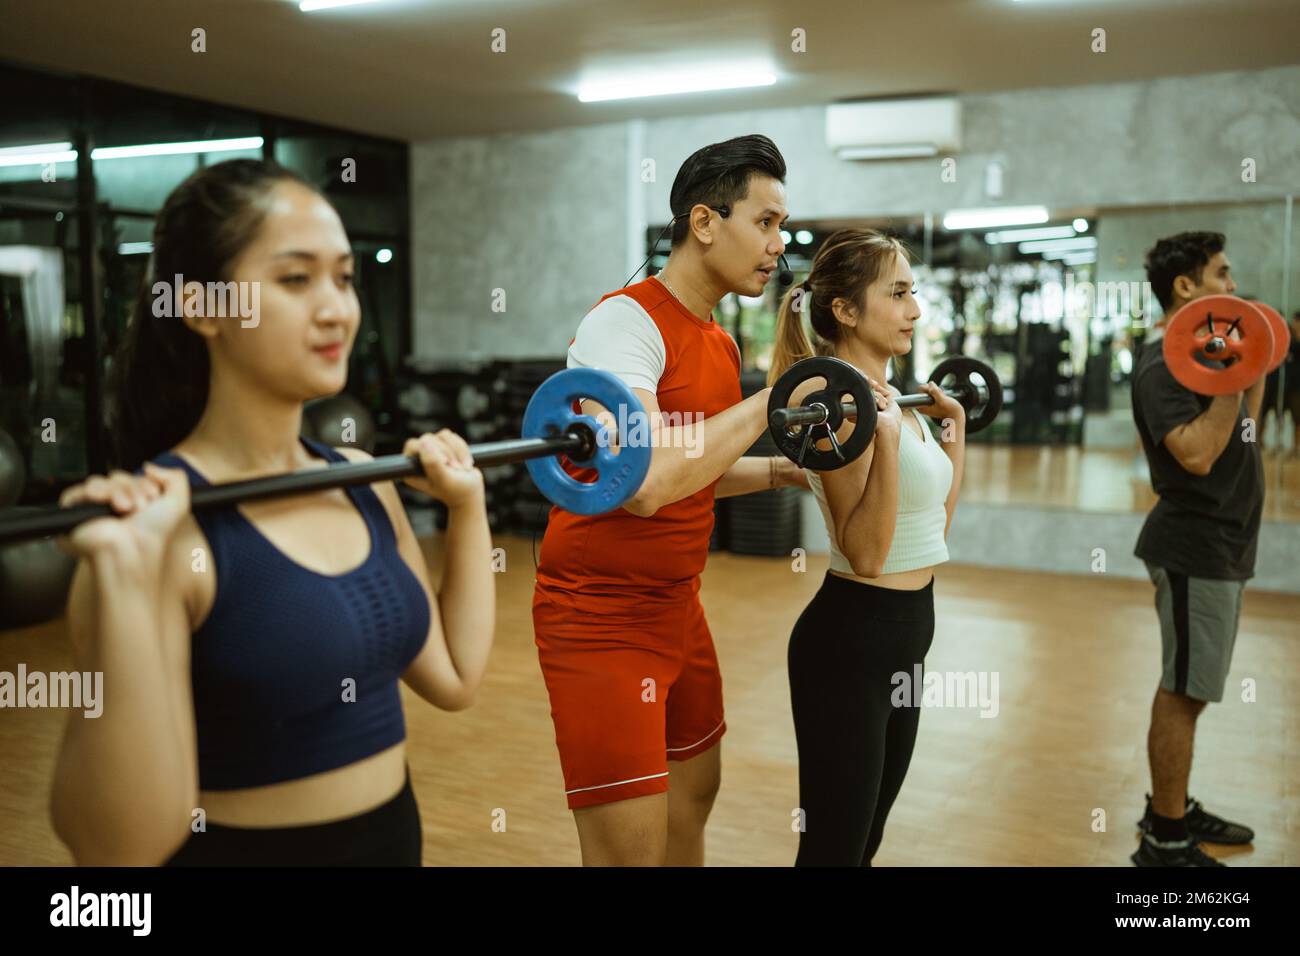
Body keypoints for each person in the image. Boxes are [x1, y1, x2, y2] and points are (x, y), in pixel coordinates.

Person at [48, 159, 494, 866]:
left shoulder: (362, 480)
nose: (336, 308)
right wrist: (126, 587)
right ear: (199, 307)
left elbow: (456, 678)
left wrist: (467, 506)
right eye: (295, 279)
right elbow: (117, 853)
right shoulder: (160, 528)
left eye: (344, 278)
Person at [531, 134, 808, 866]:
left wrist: (785, 472)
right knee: (631, 851)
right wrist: (770, 403)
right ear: (704, 222)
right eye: (767, 221)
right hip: (600, 617)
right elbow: (648, 484)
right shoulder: (624, 325)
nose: (779, 243)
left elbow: (697, 470)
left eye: (783, 226)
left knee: (692, 807)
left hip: (678, 606)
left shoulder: (717, 343)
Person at [768, 228, 966, 866]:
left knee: (866, 842)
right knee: (833, 849)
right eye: (900, 293)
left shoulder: (894, 403)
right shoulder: (833, 405)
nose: (915, 310)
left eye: (916, 293)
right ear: (846, 310)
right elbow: (869, 553)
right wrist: (882, 443)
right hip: (850, 642)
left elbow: (932, 530)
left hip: (909, 632)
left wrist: (955, 433)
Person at [1130, 231, 1260, 867]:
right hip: (1192, 546)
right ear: (1186, 287)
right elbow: (1200, 454)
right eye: (1222, 273)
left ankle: (1174, 803)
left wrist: (1249, 363)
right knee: (1183, 688)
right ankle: (1164, 836)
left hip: (1225, 543)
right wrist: (1236, 376)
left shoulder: (1206, 360)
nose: (1232, 287)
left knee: (1196, 686)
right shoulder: (1163, 365)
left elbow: (1247, 431)